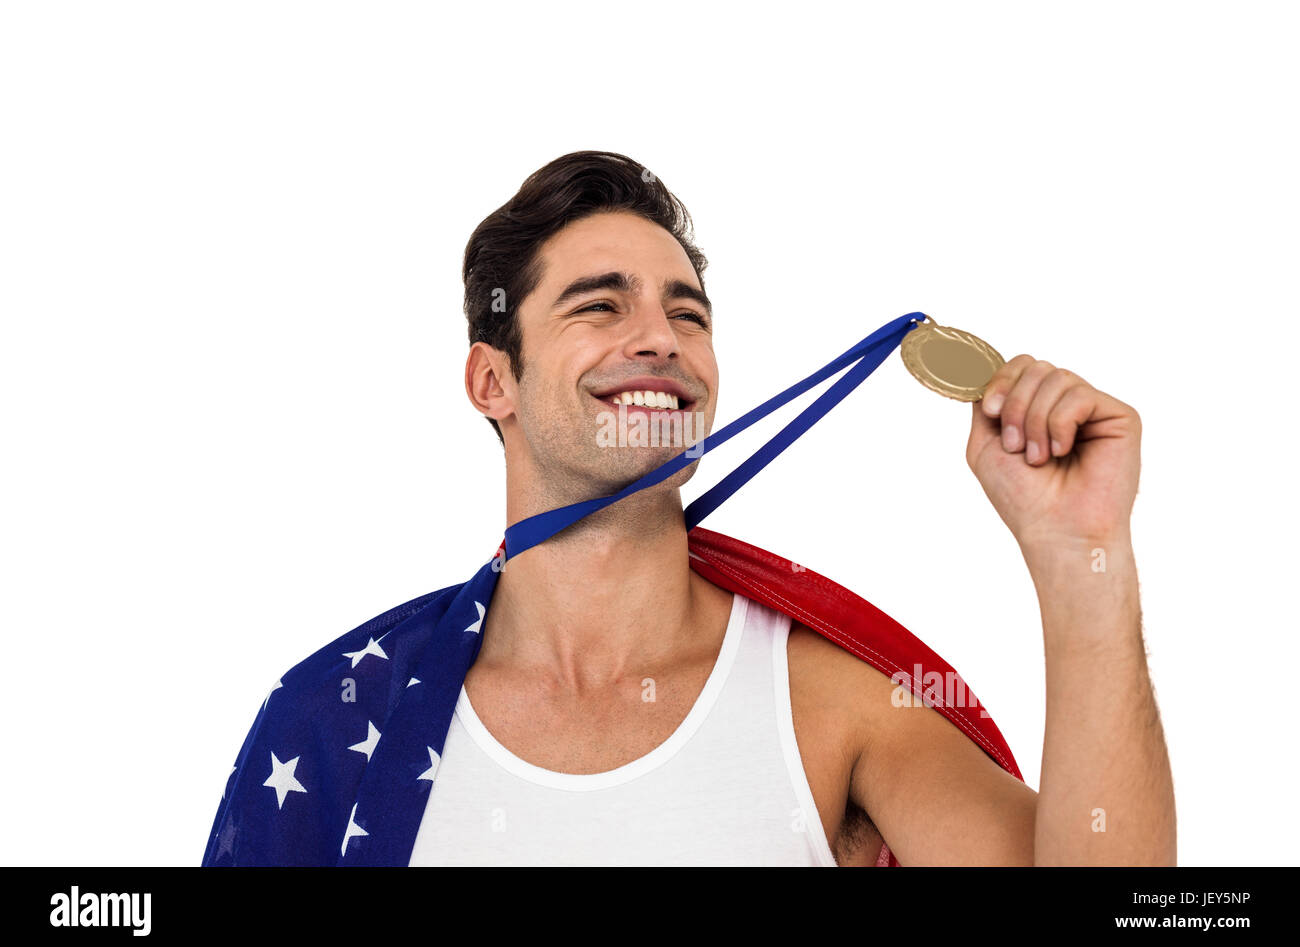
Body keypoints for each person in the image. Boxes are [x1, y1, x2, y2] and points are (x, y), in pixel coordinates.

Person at [204, 150, 1174, 866]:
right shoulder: (333, 718)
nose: (659, 339)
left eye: (687, 313)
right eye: (598, 305)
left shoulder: (833, 706)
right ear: (491, 380)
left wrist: (1080, 555)